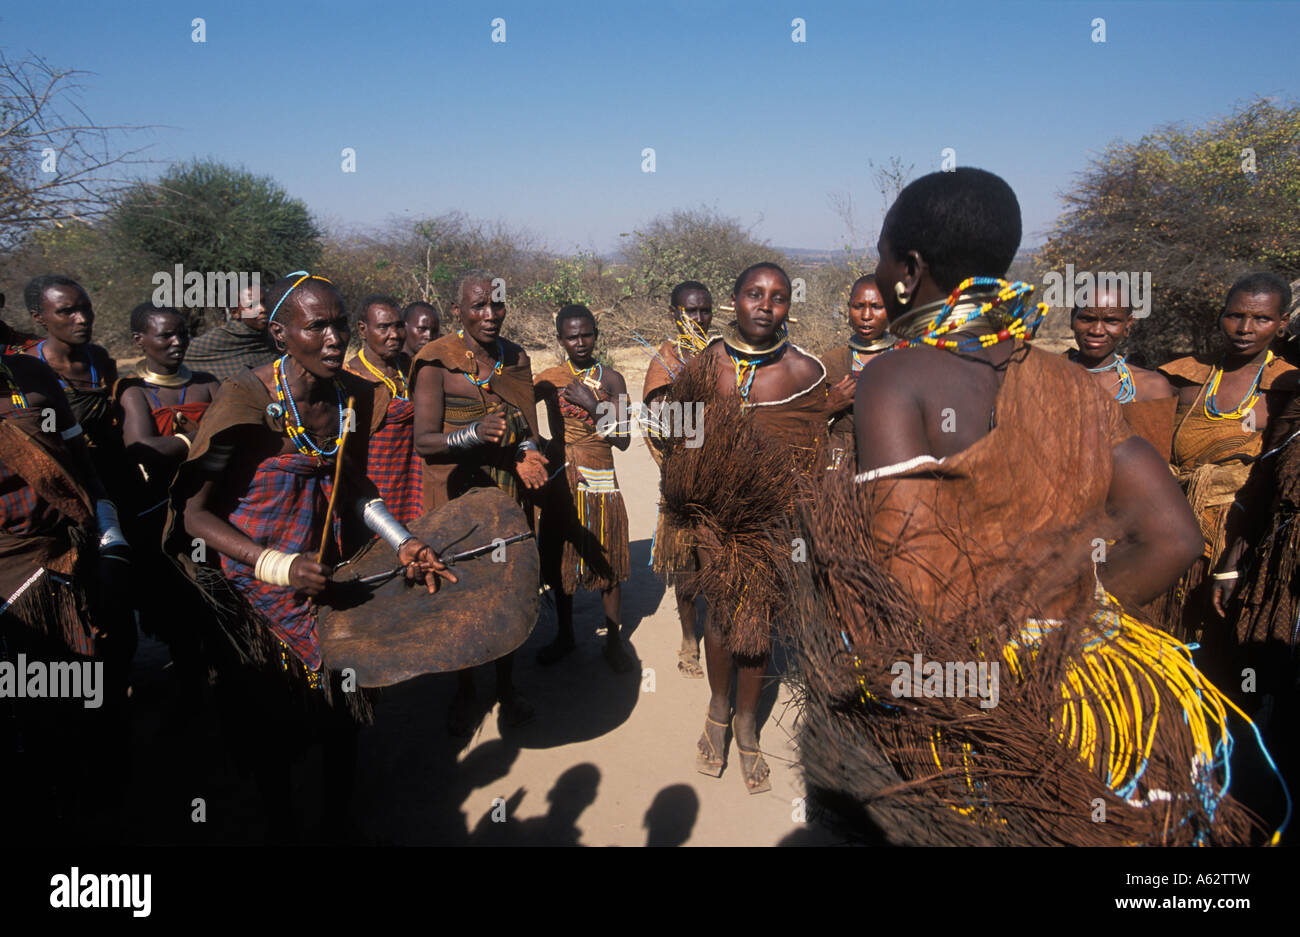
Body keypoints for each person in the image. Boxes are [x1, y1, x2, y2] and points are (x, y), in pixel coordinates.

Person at [787, 168, 1265, 845]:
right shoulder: (1075, 387)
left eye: (882, 255)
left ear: (910, 269)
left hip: (970, 728)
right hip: (1089, 710)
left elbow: (910, 581)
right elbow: (1173, 537)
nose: (878, 268)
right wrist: (1059, 625)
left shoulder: (896, 375)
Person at [168, 271, 454, 839]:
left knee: (342, 710)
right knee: (270, 721)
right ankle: (281, 821)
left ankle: (337, 817)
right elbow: (194, 516)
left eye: (339, 324)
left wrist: (404, 541)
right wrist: (278, 566)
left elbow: (353, 487)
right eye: (315, 326)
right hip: (255, 587)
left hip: (328, 575)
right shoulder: (248, 396)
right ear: (280, 334)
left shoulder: (350, 395)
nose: (333, 338)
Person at [660, 262, 828, 794]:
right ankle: (716, 704)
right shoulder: (707, 364)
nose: (765, 305)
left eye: (778, 297)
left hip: (774, 522)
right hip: (715, 518)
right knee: (720, 614)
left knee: (760, 623)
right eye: (754, 294)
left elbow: (815, 454)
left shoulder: (806, 373)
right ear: (735, 301)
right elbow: (677, 434)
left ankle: (746, 722)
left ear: (788, 308)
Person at [0, 348, 133, 832]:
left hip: (64, 559)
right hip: (7, 583)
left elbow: (83, 467)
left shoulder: (29, 374)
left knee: (83, 699)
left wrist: (111, 538)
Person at [411, 270, 548, 735]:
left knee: (508, 587)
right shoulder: (436, 362)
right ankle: (466, 689)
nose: (490, 315)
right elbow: (424, 442)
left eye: (498, 305)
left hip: (508, 493)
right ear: (458, 311)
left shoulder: (516, 357)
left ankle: (508, 686)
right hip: (460, 495)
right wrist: (472, 434)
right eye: (478, 307)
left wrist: (529, 454)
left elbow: (527, 427)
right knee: (463, 591)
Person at [1156, 272, 1297, 644]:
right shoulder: (1184, 375)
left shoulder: (1287, 387)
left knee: (1220, 653)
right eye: (1235, 315)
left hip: (1239, 538)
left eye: (1262, 319)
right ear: (1221, 316)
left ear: (1282, 324)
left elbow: (1274, 483)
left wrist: (1236, 558)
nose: (1245, 328)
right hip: (1166, 529)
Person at [114, 303, 220, 717]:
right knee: (176, 608)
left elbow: (235, 438)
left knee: (216, 601)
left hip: (211, 507)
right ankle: (190, 697)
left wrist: (178, 444)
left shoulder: (208, 384)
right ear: (140, 341)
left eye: (182, 334)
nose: (177, 343)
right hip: (158, 517)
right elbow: (141, 449)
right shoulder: (133, 391)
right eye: (164, 336)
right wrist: (196, 440)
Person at [533, 304, 633, 673]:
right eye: (572, 336)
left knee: (609, 555)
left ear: (596, 334)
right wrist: (540, 446)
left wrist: (594, 406)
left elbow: (622, 438)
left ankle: (614, 640)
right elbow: (522, 410)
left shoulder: (613, 380)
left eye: (586, 334)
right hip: (561, 477)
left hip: (601, 475)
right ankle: (565, 635)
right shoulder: (549, 378)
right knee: (563, 558)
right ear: (560, 339)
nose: (580, 342)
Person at [641, 281, 714, 678]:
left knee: (720, 565)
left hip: (722, 478)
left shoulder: (720, 355)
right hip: (682, 478)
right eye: (690, 311)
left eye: (705, 311)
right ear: (674, 314)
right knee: (685, 566)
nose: (698, 319)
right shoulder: (666, 361)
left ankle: (721, 636)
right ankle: (690, 638)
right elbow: (659, 426)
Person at [22, 276, 123, 481]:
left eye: (86, 308)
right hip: (67, 478)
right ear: (38, 317)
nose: (82, 319)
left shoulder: (99, 359)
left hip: (116, 470)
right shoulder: (24, 369)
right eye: (66, 312)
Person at [1067, 283, 1177, 461]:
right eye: (1087, 319)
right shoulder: (1046, 376)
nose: (1096, 330)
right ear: (1073, 318)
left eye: (1111, 321)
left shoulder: (1151, 387)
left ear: (1128, 325)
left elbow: (1157, 462)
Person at [345, 295, 421, 525]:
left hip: (414, 482)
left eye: (398, 326)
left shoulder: (411, 367)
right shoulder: (350, 379)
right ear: (362, 329)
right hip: (374, 488)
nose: (395, 335)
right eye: (383, 327)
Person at [821, 273, 893, 466]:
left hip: (891, 460)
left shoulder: (907, 359)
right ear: (848, 310)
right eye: (858, 306)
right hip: (839, 468)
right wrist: (830, 405)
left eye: (877, 307)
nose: (866, 316)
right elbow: (802, 422)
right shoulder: (831, 362)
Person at [184, 280, 276, 381]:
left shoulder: (275, 338)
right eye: (252, 305)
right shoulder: (218, 340)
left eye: (265, 302)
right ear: (235, 312)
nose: (263, 309)